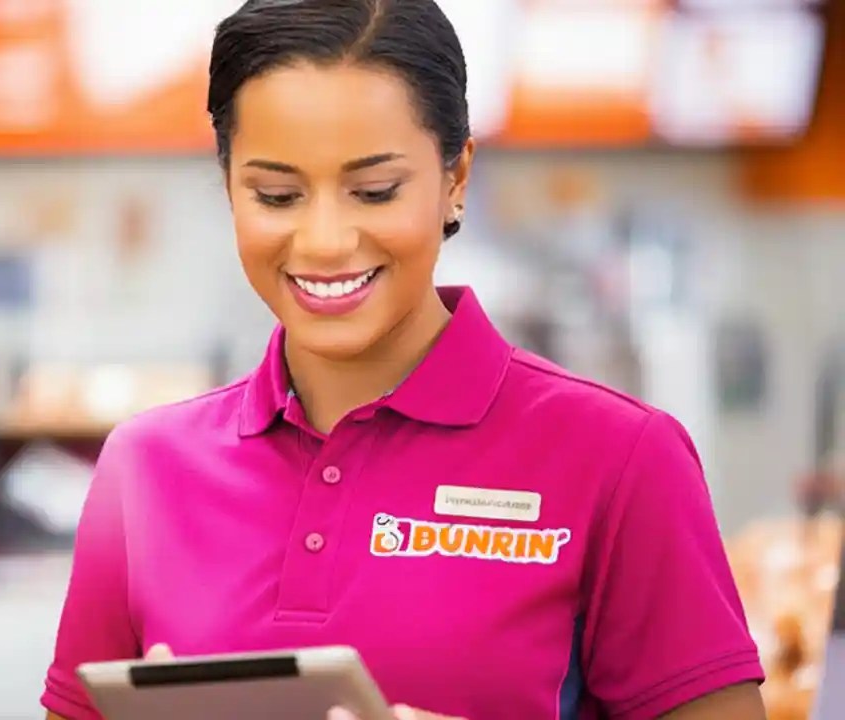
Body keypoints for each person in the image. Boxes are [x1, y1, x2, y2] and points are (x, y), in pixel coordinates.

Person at [43, 1, 767, 718]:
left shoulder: (620, 457)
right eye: (277, 195)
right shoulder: (143, 469)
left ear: (455, 178)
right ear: (230, 186)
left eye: (375, 191)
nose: (325, 240)